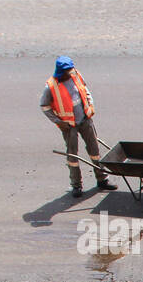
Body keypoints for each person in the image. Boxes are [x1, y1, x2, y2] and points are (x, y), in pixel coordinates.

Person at [39, 56, 117, 198]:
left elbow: (85, 90)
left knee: (95, 151)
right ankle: (76, 185)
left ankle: (102, 179)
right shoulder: (51, 86)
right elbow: (44, 106)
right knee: (73, 156)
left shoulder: (76, 74)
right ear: (60, 71)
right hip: (69, 126)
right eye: (67, 71)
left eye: (71, 70)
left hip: (85, 120)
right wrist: (58, 122)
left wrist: (91, 105)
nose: (70, 73)